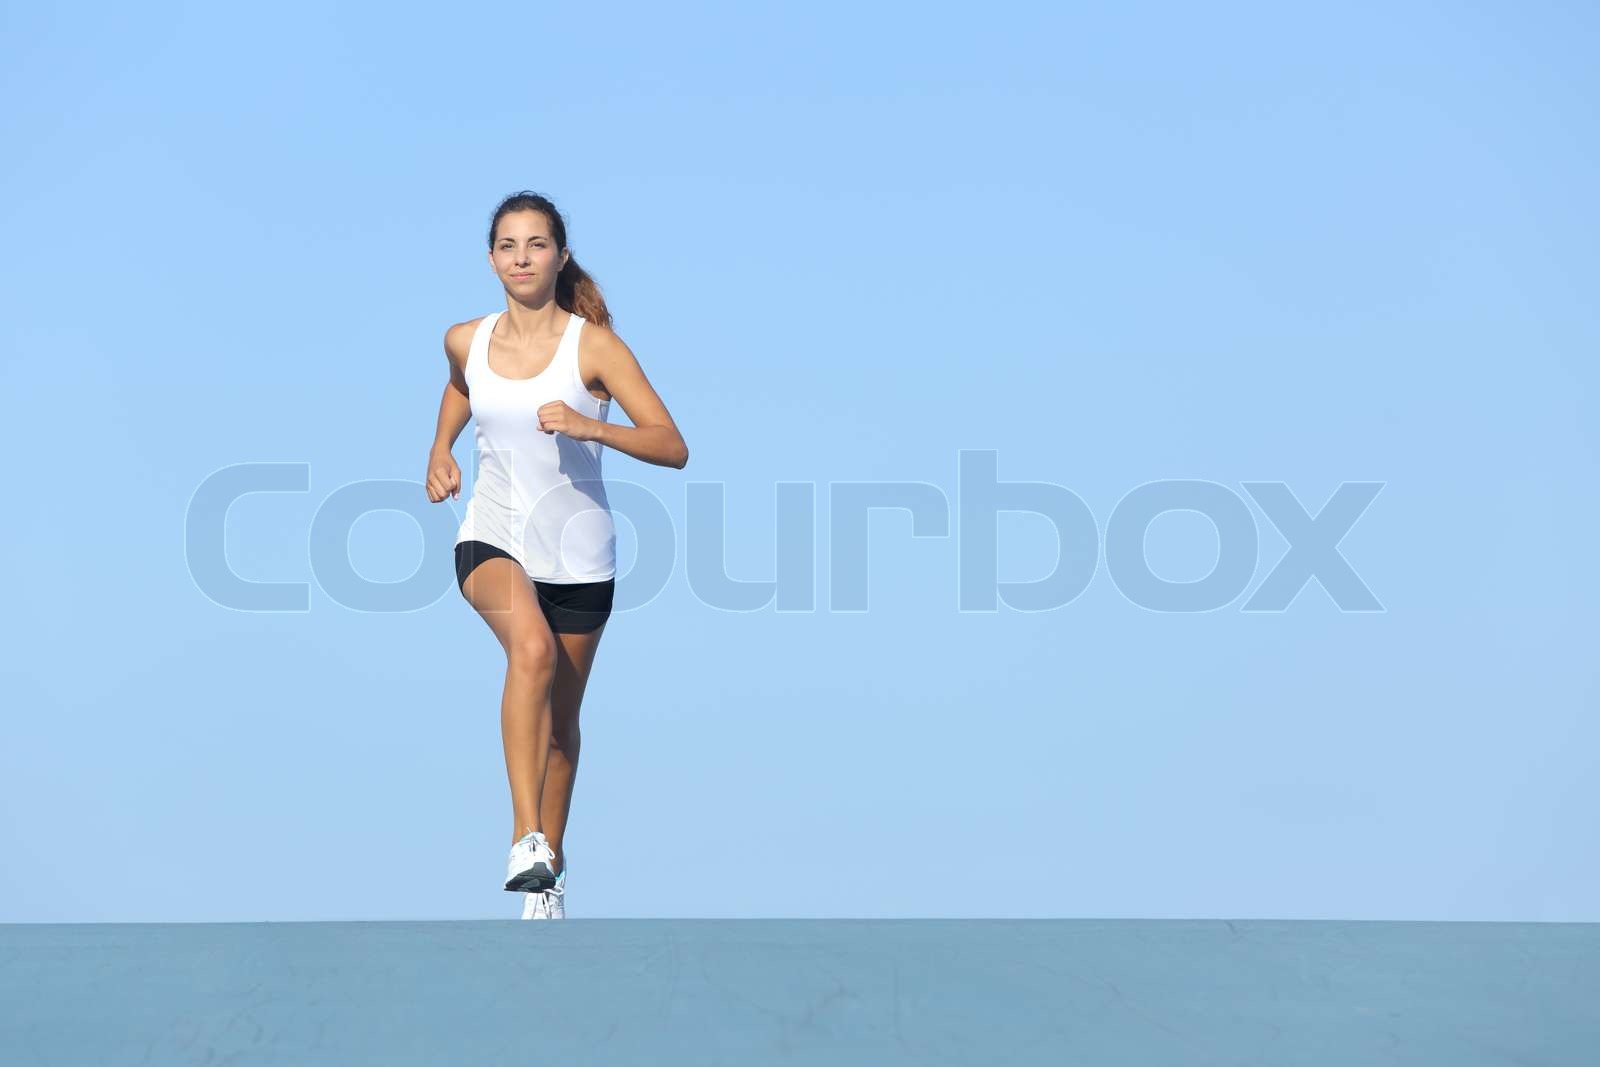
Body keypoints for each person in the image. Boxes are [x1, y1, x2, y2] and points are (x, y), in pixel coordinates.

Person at [425, 191, 689, 919]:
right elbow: (461, 387)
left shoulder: (593, 347)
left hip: (579, 555)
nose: (521, 258)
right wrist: (438, 450)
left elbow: (672, 444)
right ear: (491, 259)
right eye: (508, 245)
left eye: (536, 244)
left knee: (563, 727)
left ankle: (550, 878)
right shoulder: (465, 339)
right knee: (531, 653)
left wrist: (587, 426)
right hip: (493, 532)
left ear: (560, 255)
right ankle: (524, 838)